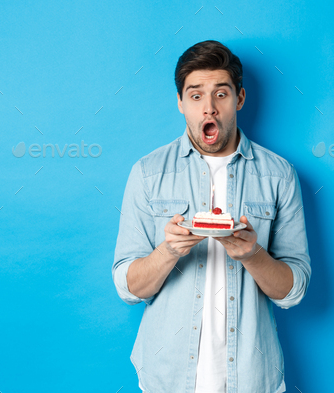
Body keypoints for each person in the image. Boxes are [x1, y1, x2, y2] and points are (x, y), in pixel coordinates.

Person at [112, 40, 311, 393]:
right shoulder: (147, 173)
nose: (209, 109)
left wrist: (252, 253)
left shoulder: (279, 175)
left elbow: (293, 291)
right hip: (166, 378)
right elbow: (128, 288)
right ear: (180, 103)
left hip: (252, 378)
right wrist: (169, 251)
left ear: (240, 99)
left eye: (221, 94)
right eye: (195, 95)